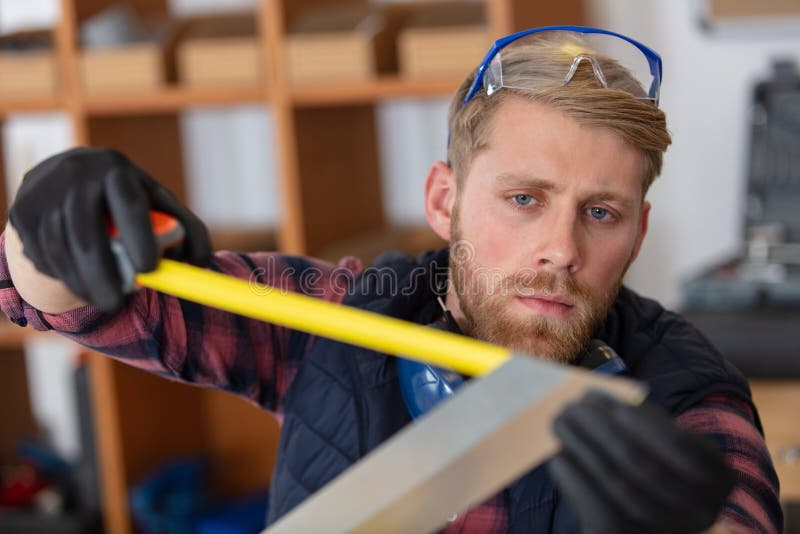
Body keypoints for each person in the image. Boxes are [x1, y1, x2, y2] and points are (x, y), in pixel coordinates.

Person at [0, 26, 782, 533]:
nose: (560, 250)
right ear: (444, 202)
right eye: (523, 199)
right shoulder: (341, 319)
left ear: (637, 234)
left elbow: (738, 516)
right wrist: (46, 234)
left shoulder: (686, 390)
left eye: (601, 213)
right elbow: (68, 303)